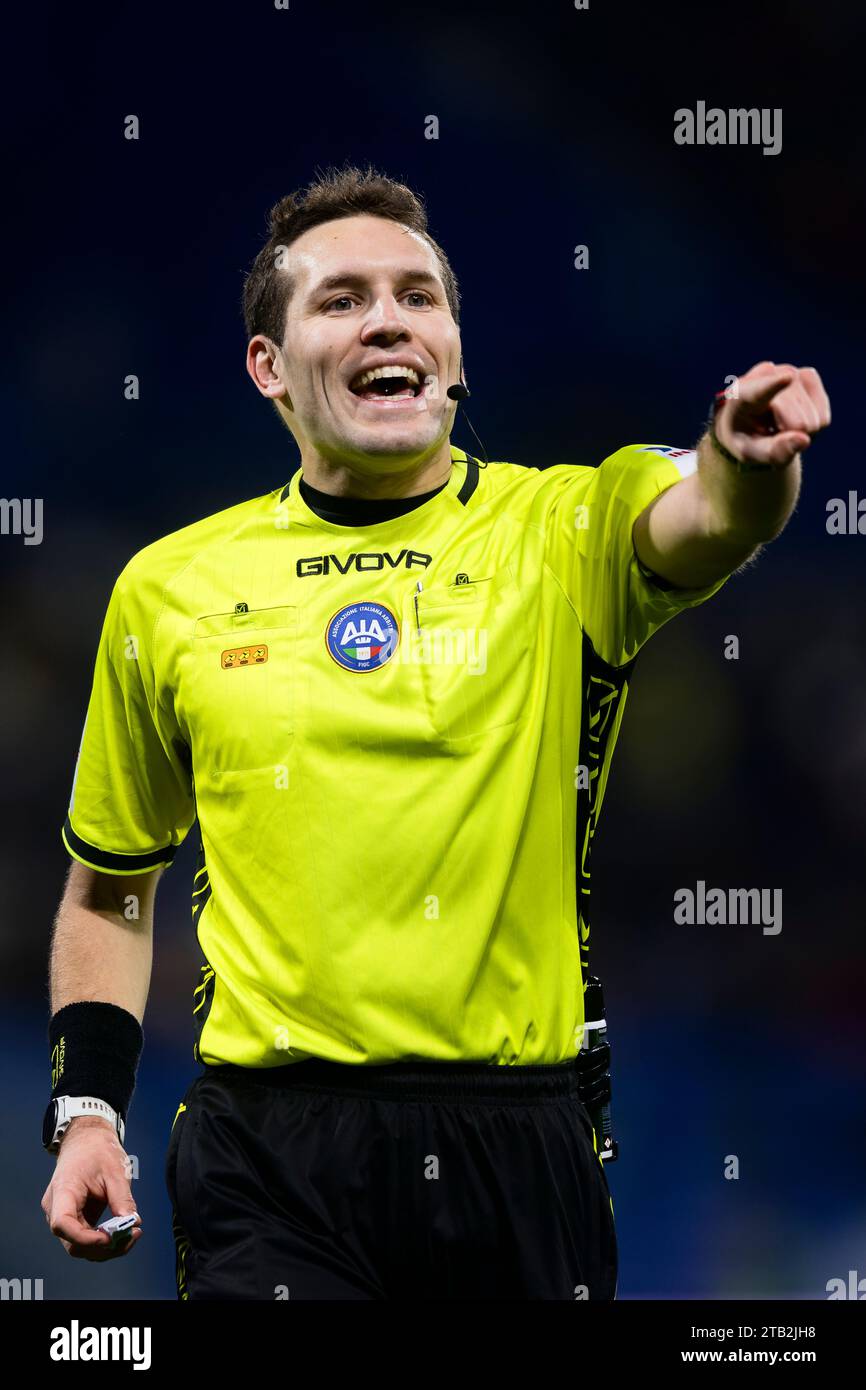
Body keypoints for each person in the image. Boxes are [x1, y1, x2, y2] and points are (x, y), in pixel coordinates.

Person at [41, 164, 830, 1300]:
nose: (387, 319)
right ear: (269, 367)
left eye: (418, 296)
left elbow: (704, 512)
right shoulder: (168, 590)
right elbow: (109, 887)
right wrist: (86, 1114)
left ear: (453, 349)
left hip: (519, 1144)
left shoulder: (562, 526)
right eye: (341, 298)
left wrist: (749, 461)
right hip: (270, 1153)